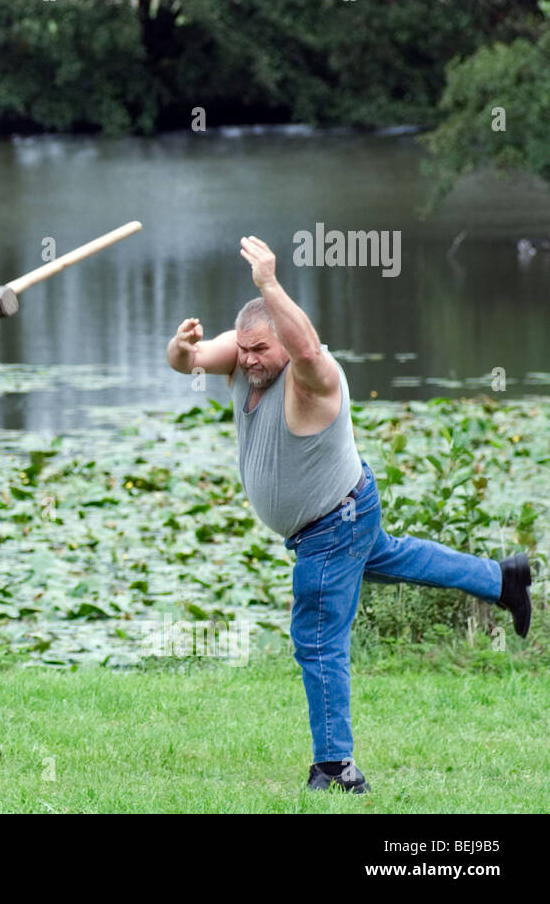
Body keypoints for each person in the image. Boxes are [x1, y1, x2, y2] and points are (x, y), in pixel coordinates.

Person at [166, 235, 533, 793]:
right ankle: (502, 579)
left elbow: (308, 351)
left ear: (285, 341)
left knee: (316, 634)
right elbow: (188, 361)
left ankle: (336, 767)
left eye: (261, 348)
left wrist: (269, 281)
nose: (250, 358)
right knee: (399, 559)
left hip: (332, 525)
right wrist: (180, 346)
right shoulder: (244, 358)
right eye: (244, 348)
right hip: (348, 508)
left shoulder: (314, 378)